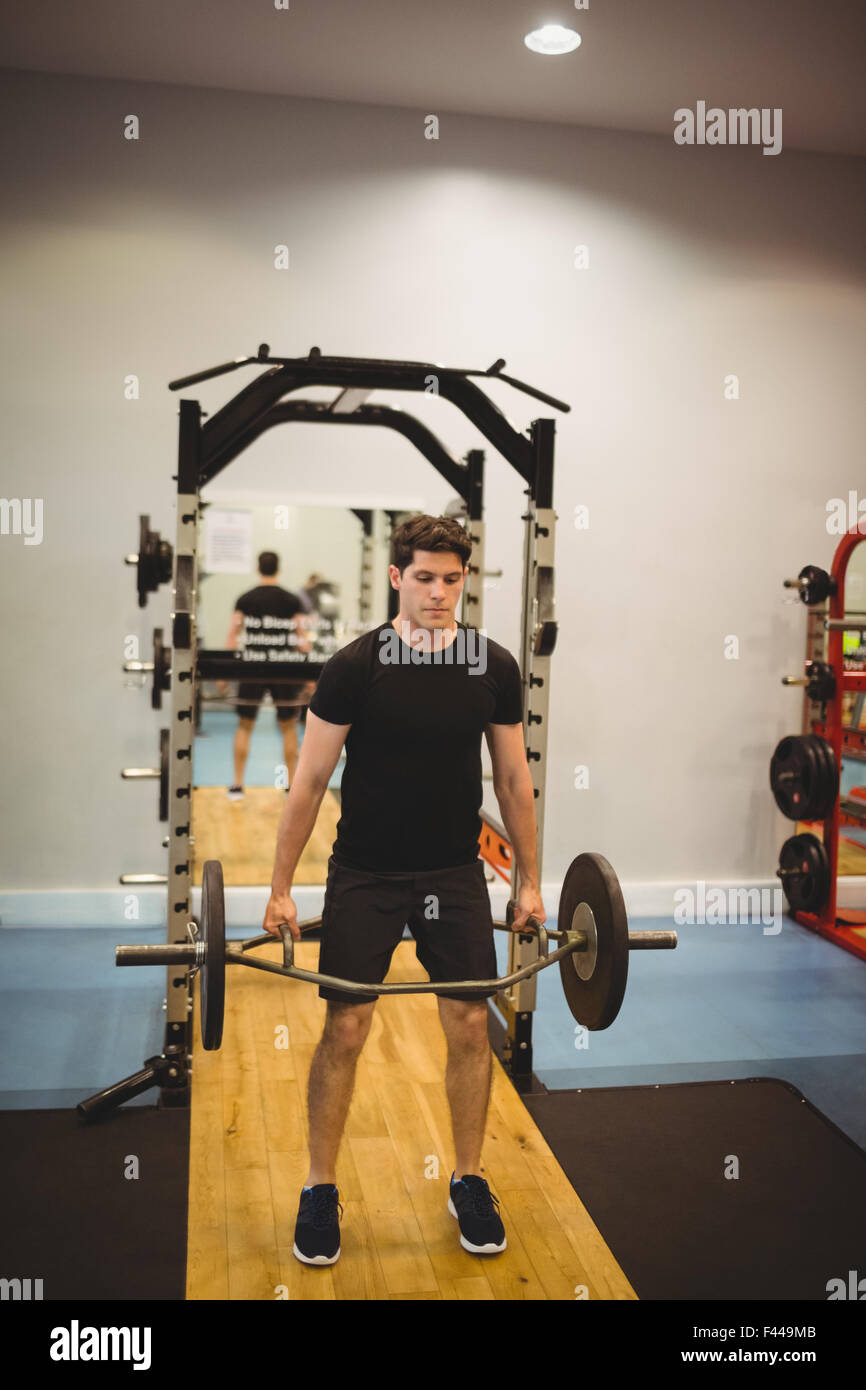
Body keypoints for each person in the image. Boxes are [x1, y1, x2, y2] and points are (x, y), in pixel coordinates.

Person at [261, 513, 546, 1264]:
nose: (440, 592)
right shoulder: (357, 666)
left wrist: (529, 883)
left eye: (453, 579)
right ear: (396, 576)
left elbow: (514, 780)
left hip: (453, 873)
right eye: (425, 577)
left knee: (465, 1027)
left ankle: (468, 1178)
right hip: (366, 871)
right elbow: (310, 781)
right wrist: (281, 888)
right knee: (347, 1029)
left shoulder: (493, 666)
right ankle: (320, 1188)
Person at [220, 551, 314, 800]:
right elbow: (301, 639)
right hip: (284, 667)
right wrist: (311, 674)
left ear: (258, 568)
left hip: (252, 667)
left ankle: (237, 786)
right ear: (278, 568)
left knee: (244, 725)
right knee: (288, 726)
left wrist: (223, 674)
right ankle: (291, 786)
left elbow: (232, 635)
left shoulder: (245, 599)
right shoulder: (291, 600)